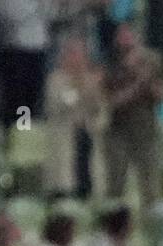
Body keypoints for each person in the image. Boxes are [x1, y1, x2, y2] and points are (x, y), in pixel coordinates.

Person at [101, 21, 163, 213]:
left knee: (149, 183)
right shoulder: (110, 62)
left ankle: (151, 222)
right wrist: (137, 82)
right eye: (121, 35)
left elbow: (160, 94)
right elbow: (112, 101)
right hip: (117, 131)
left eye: (128, 34)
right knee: (116, 183)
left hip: (146, 130)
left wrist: (142, 75)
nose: (125, 39)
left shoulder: (153, 60)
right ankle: (113, 224)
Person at [44, 35, 105, 201]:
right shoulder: (55, 80)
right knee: (65, 182)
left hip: (88, 137)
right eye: (72, 54)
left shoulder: (92, 81)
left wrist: (95, 123)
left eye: (80, 54)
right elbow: (66, 101)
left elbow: (101, 109)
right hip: (64, 136)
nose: (76, 59)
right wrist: (81, 86)